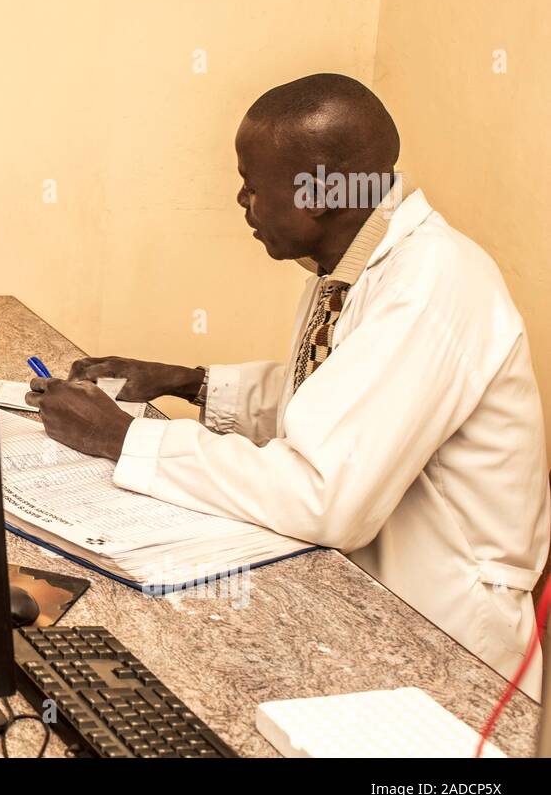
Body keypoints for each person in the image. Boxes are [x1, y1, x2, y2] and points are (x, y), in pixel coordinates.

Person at [28, 74, 549, 697]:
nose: (241, 199)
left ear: (321, 190)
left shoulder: (432, 282)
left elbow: (324, 496)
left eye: (252, 182)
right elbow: (338, 400)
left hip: (446, 638)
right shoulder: (350, 264)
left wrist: (124, 440)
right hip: (361, 593)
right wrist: (191, 383)